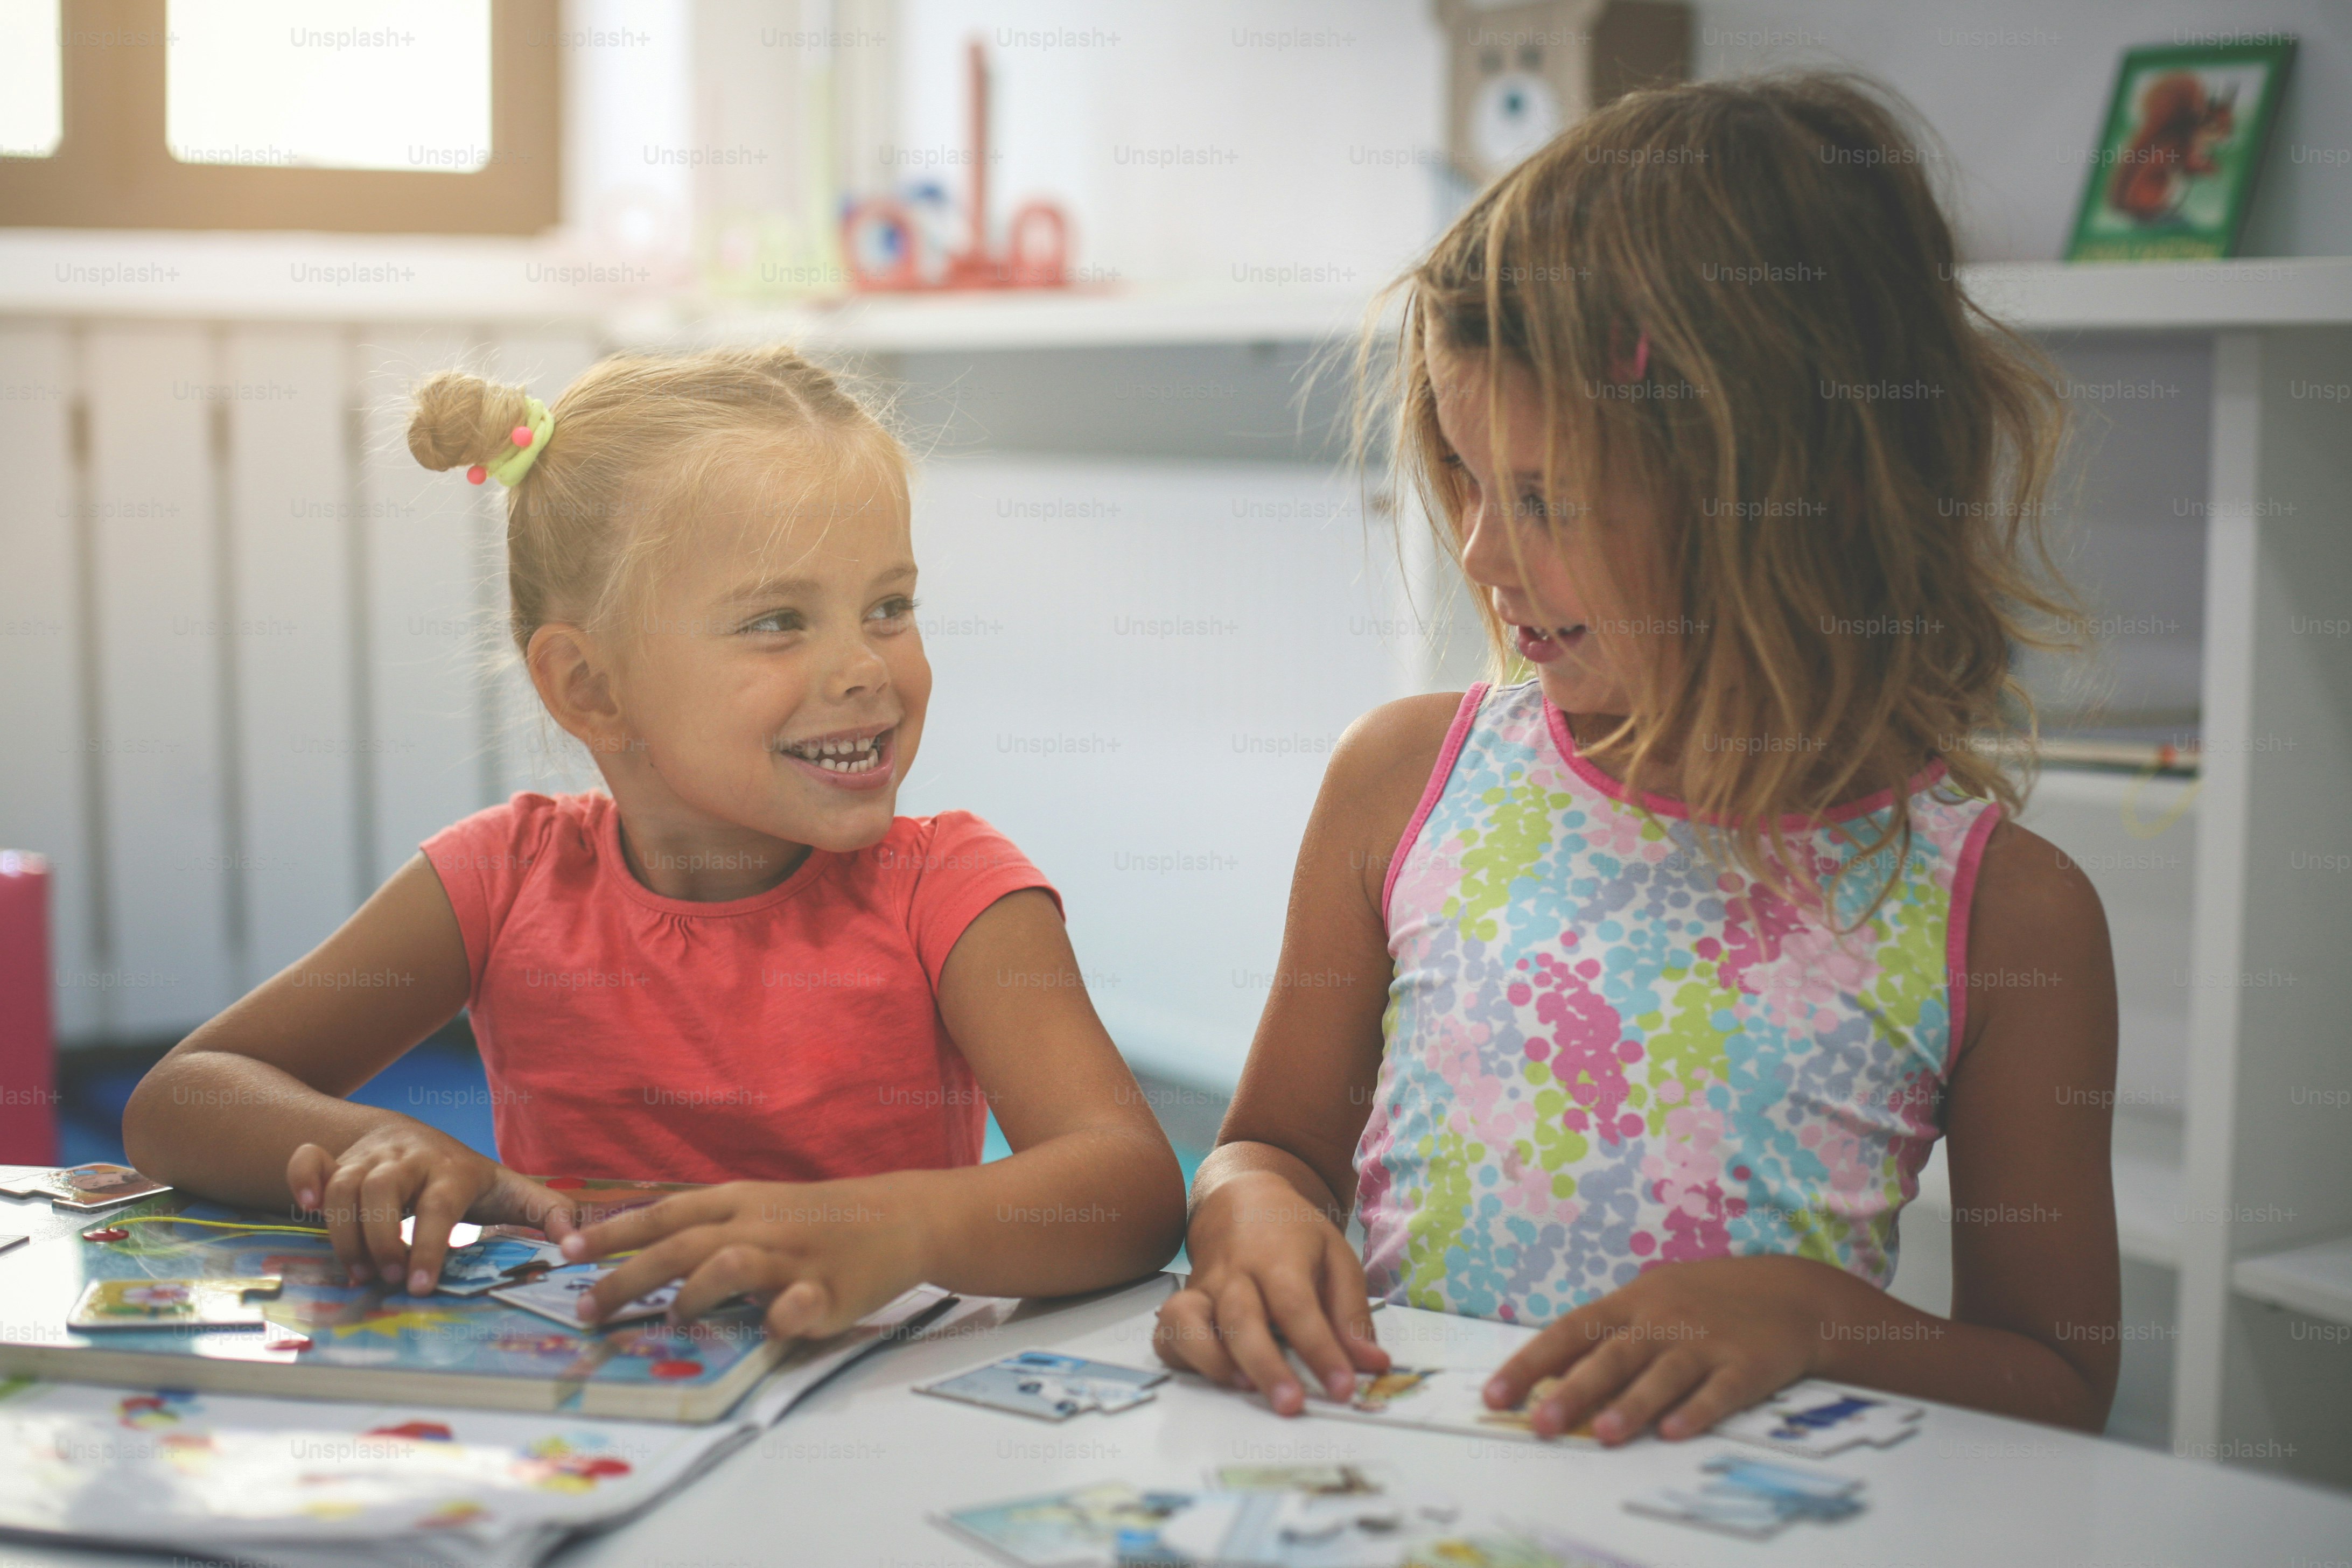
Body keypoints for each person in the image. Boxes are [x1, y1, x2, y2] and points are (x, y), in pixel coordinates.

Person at [1156, 74, 2121, 1444]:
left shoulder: (2010, 915)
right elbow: (1273, 1147)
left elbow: (2062, 1384)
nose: (1483, 551)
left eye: (1545, 496)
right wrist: (1248, 1213)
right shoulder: (1401, 780)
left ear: (1800, 485)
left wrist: (1810, 1315)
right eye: (1466, 476)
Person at [125, 346, 1184, 1340]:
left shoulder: (954, 889)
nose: (866, 666)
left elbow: (1130, 1190)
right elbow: (185, 1096)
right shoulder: (502, 876)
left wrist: (905, 1227)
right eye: (778, 620)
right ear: (591, 686)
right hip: (584, 1411)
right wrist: (387, 1149)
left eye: (889, 606)